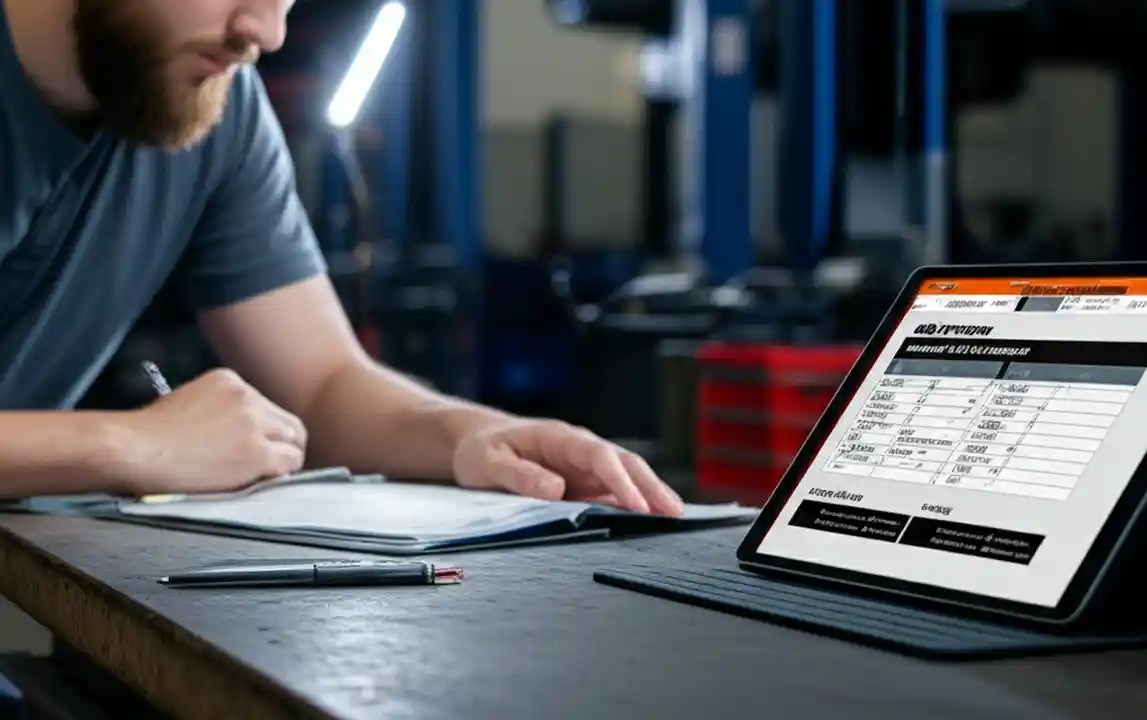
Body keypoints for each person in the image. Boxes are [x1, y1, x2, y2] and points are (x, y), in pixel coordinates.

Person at [0, 0, 684, 516]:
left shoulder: (218, 112)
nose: (268, 31)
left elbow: (323, 383)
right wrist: (130, 446)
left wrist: (472, 436)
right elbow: (144, 446)